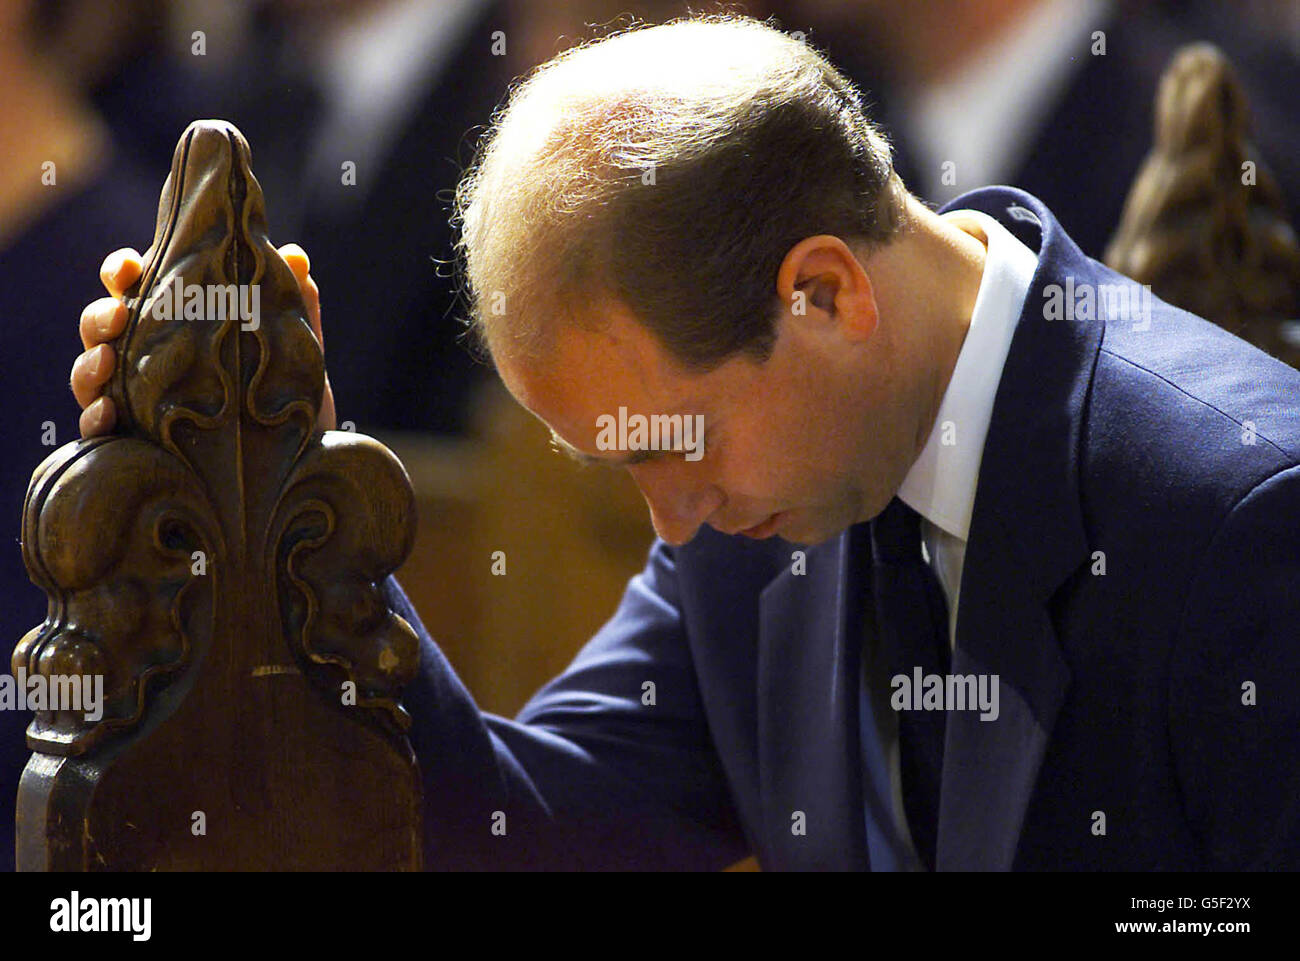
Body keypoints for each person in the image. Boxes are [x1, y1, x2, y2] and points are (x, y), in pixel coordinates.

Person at [68, 15, 1300, 870]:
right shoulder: (752, 508)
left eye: (671, 443)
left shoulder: (1242, 511)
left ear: (823, 295)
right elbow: (532, 834)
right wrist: (290, 472)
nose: (668, 520)